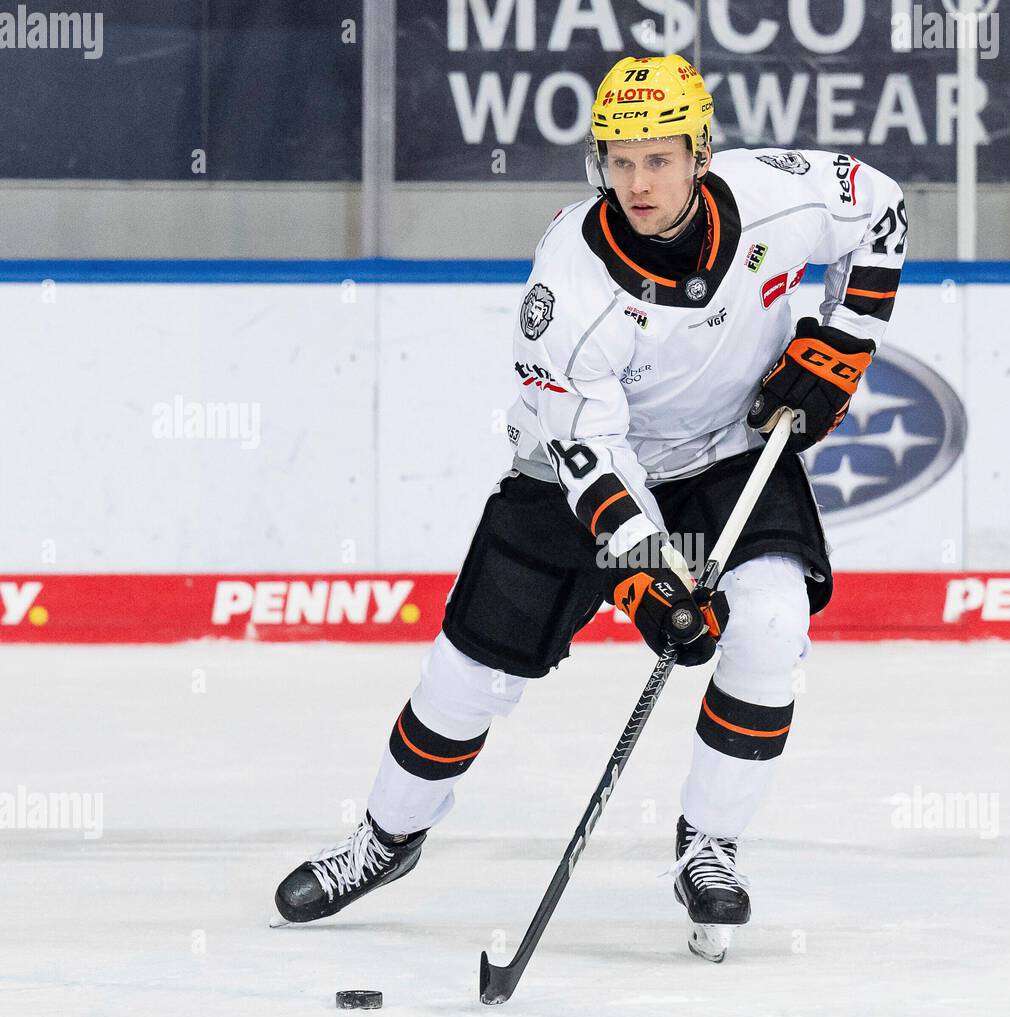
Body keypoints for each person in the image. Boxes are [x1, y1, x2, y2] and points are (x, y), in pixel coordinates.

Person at [274, 53, 907, 963]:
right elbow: (593, 460)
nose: (639, 182)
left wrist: (842, 343)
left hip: (727, 452)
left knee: (770, 621)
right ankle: (383, 838)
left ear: (701, 151)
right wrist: (648, 575)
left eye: (659, 158)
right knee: (469, 679)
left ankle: (709, 846)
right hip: (573, 483)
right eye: (620, 160)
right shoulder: (569, 284)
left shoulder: (778, 194)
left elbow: (880, 211)